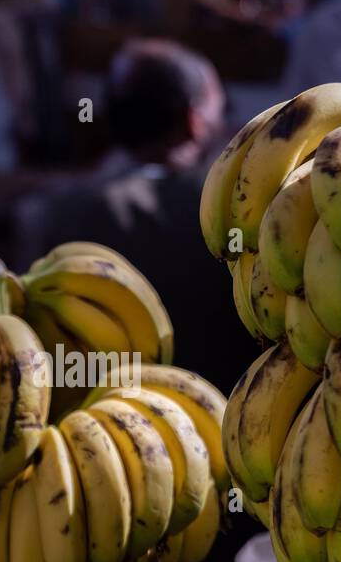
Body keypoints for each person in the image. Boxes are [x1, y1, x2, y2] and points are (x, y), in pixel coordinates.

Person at [18, 38, 256, 399]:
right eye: (218, 110)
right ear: (194, 122)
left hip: (102, 437)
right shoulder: (236, 212)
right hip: (228, 425)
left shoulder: (52, 218)